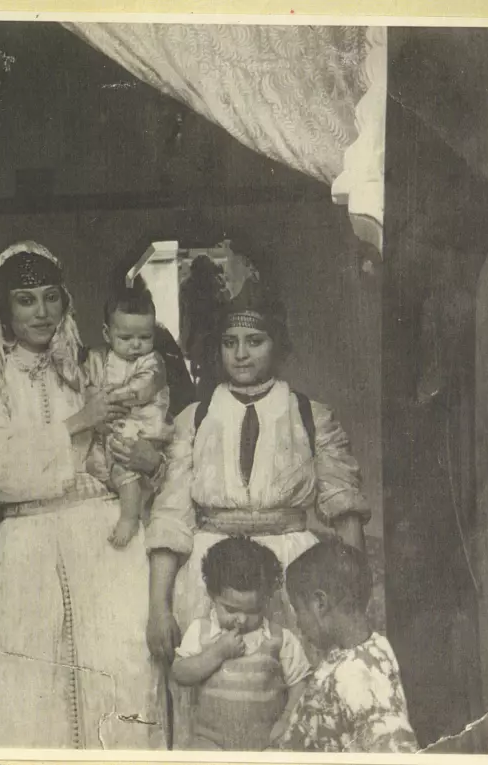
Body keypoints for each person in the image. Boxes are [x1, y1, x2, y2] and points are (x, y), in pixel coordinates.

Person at [109, 255, 372, 747]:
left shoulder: (310, 416)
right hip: (209, 577)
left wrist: (351, 601)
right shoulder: (195, 416)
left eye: (255, 341)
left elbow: (344, 505)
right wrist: (159, 607)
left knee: (291, 695)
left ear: (278, 344)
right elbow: (170, 517)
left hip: (289, 572)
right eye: (230, 343)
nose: (242, 354)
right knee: (210, 703)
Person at [0, 240, 161, 750]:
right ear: (3, 308)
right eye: (26, 300)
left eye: (51, 297)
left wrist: (149, 462)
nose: (41, 312)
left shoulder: (94, 367)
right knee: (26, 685)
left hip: (105, 540)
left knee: (121, 668)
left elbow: (145, 430)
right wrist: (77, 423)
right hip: (26, 543)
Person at [275, 539, 418, 753]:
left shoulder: (356, 676)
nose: (297, 622)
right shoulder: (372, 646)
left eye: (298, 610)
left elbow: (395, 749)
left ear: (320, 603)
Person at [172, 537, 311, 751]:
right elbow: (180, 673)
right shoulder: (203, 631)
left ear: (266, 599)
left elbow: (300, 682)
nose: (242, 619)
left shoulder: (279, 638)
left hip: (265, 742)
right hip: (210, 742)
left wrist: (286, 718)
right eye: (231, 609)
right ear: (212, 595)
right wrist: (216, 654)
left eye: (253, 611)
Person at [84, 276, 171, 548]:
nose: (135, 345)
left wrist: (107, 399)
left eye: (144, 337)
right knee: (93, 464)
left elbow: (140, 390)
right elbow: (86, 385)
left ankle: (130, 518)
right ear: (107, 334)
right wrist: (91, 400)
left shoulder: (152, 361)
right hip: (110, 429)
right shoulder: (98, 359)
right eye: (126, 338)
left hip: (141, 427)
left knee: (125, 469)